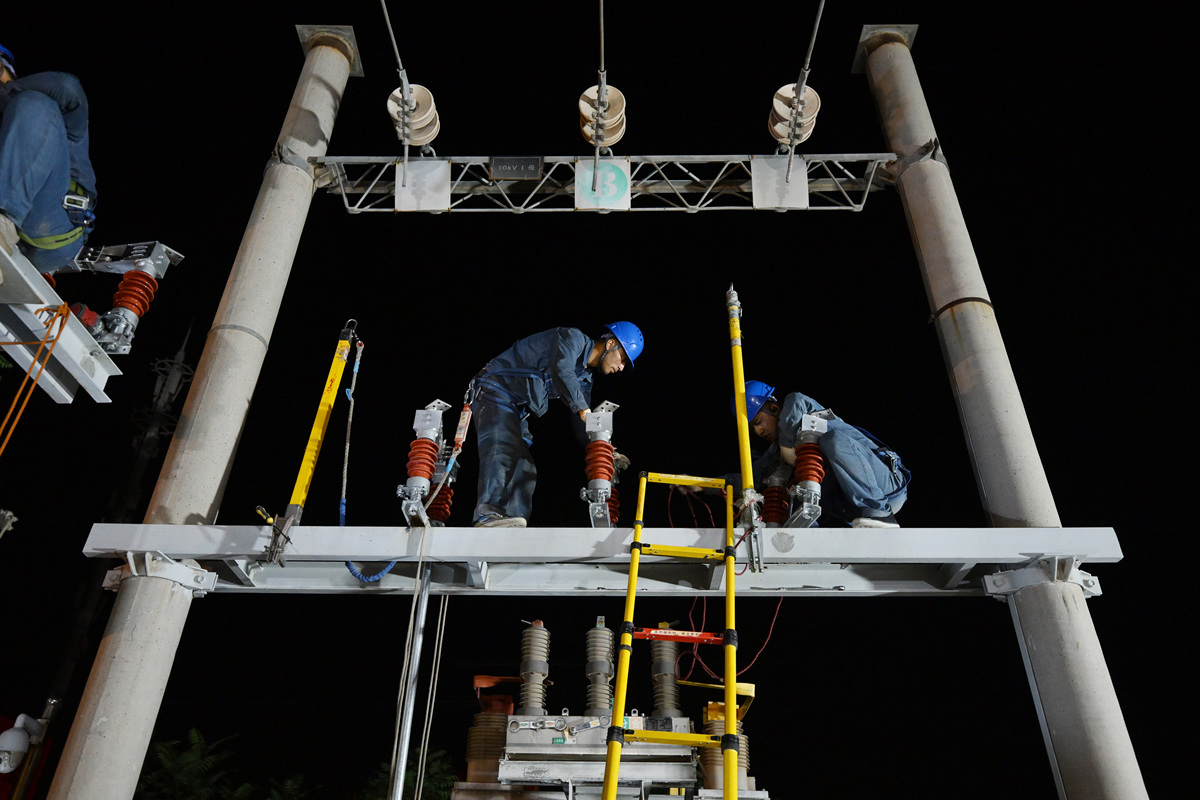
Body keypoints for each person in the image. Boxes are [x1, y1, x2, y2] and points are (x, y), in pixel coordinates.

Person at [471, 322, 643, 527]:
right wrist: (583, 410)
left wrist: (605, 449)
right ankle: (487, 514)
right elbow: (563, 370)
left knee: (526, 468)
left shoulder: (585, 379)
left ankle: (512, 525)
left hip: (516, 409)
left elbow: (582, 424)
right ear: (610, 344)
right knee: (503, 448)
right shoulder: (573, 338)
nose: (621, 367)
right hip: (494, 389)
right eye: (623, 358)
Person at [738, 380, 910, 527]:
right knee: (794, 485)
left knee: (831, 440)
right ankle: (809, 534)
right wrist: (722, 485)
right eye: (752, 428)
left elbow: (796, 400)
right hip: (852, 506)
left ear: (774, 408)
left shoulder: (798, 407)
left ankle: (880, 513)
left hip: (885, 484)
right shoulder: (776, 453)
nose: (758, 431)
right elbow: (751, 475)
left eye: (758, 422)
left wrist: (786, 446)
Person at [0, 43, 98, 270]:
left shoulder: (45, 110)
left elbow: (67, 87)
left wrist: (6, 92)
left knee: (34, 104)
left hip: (52, 228)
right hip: (25, 237)